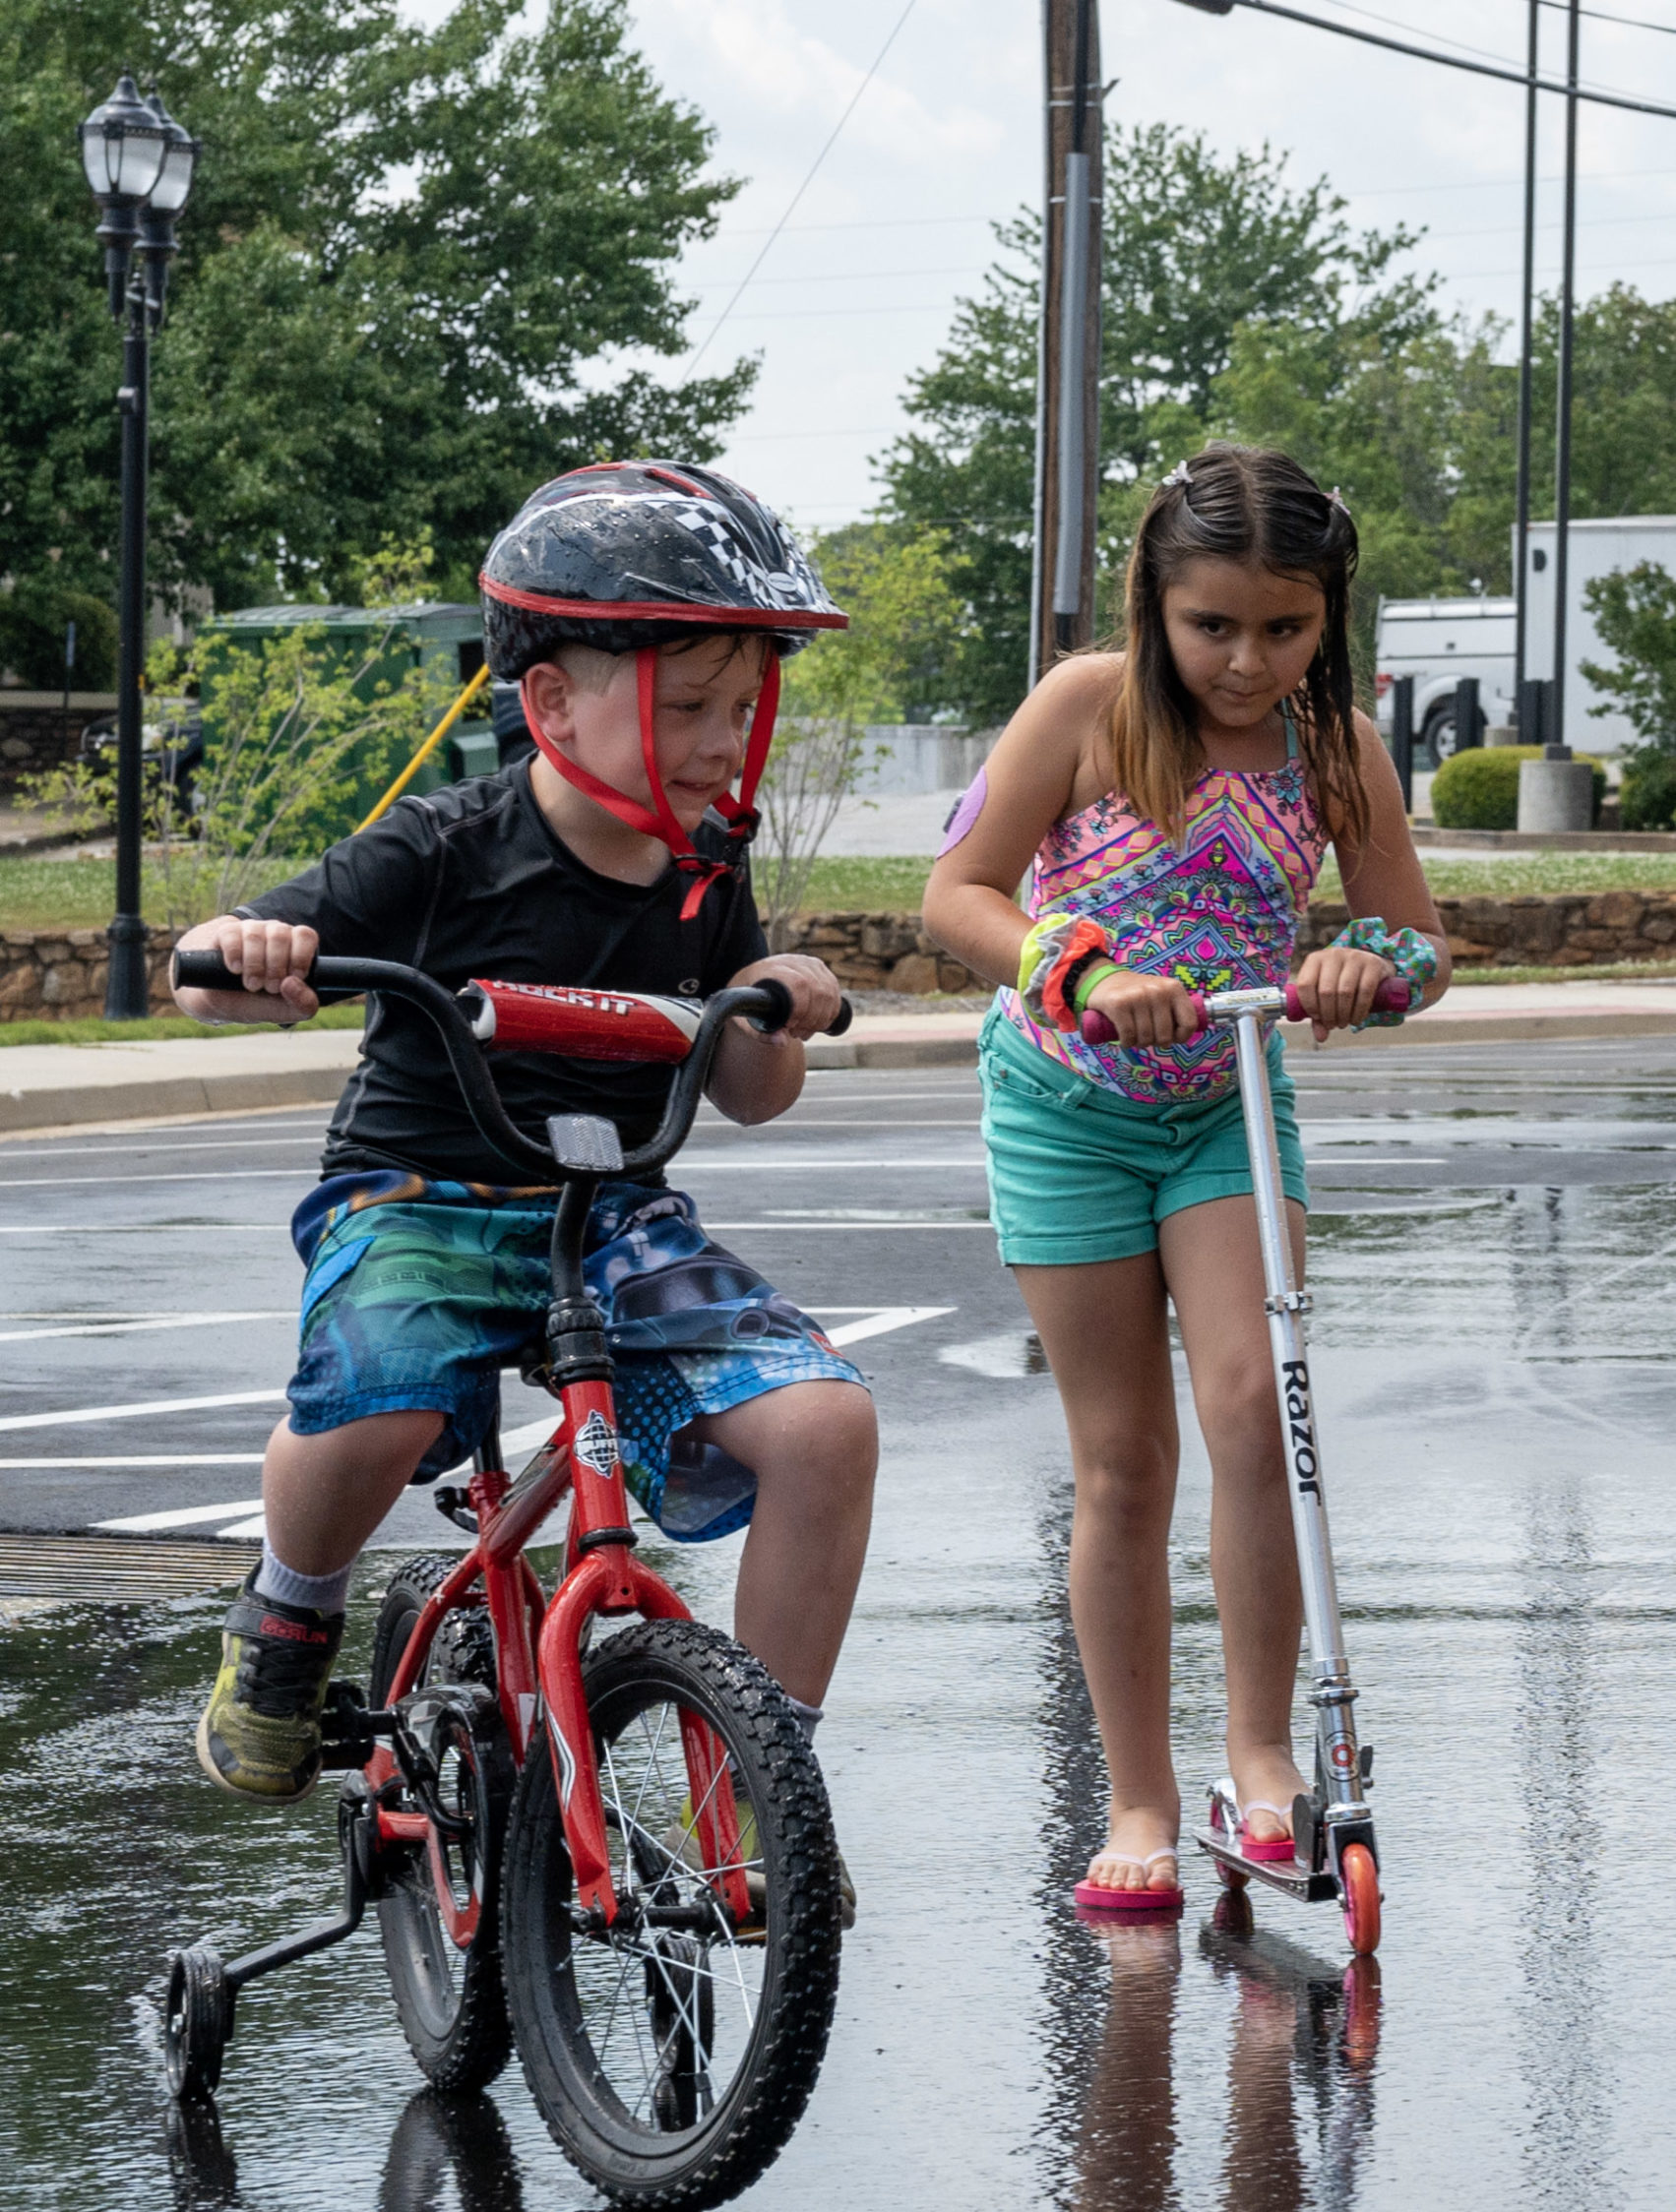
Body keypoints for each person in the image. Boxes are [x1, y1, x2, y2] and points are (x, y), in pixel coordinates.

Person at [173, 462, 879, 1882]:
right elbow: (212, 975)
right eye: (687, 707)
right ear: (553, 705)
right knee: (374, 1404)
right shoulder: (441, 847)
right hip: (420, 1193)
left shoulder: (706, 877)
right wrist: (246, 955)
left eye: (739, 709)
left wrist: (772, 1000)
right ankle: (292, 1612)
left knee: (825, 1429)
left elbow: (745, 1094)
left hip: (611, 1210)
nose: (719, 741)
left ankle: (764, 1785)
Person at [921, 443, 1450, 1910]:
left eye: (1285, 630)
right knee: (1123, 1463)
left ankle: (1264, 1761)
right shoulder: (1087, 708)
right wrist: (1079, 964)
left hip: (1226, 1106)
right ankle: (1141, 1800)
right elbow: (955, 893)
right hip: (1062, 1105)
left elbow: (1421, 943)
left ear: (1328, 621)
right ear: (1155, 602)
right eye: (1213, 625)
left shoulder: (1335, 751)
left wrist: (1364, 962)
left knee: (1251, 1410)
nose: (1246, 659)